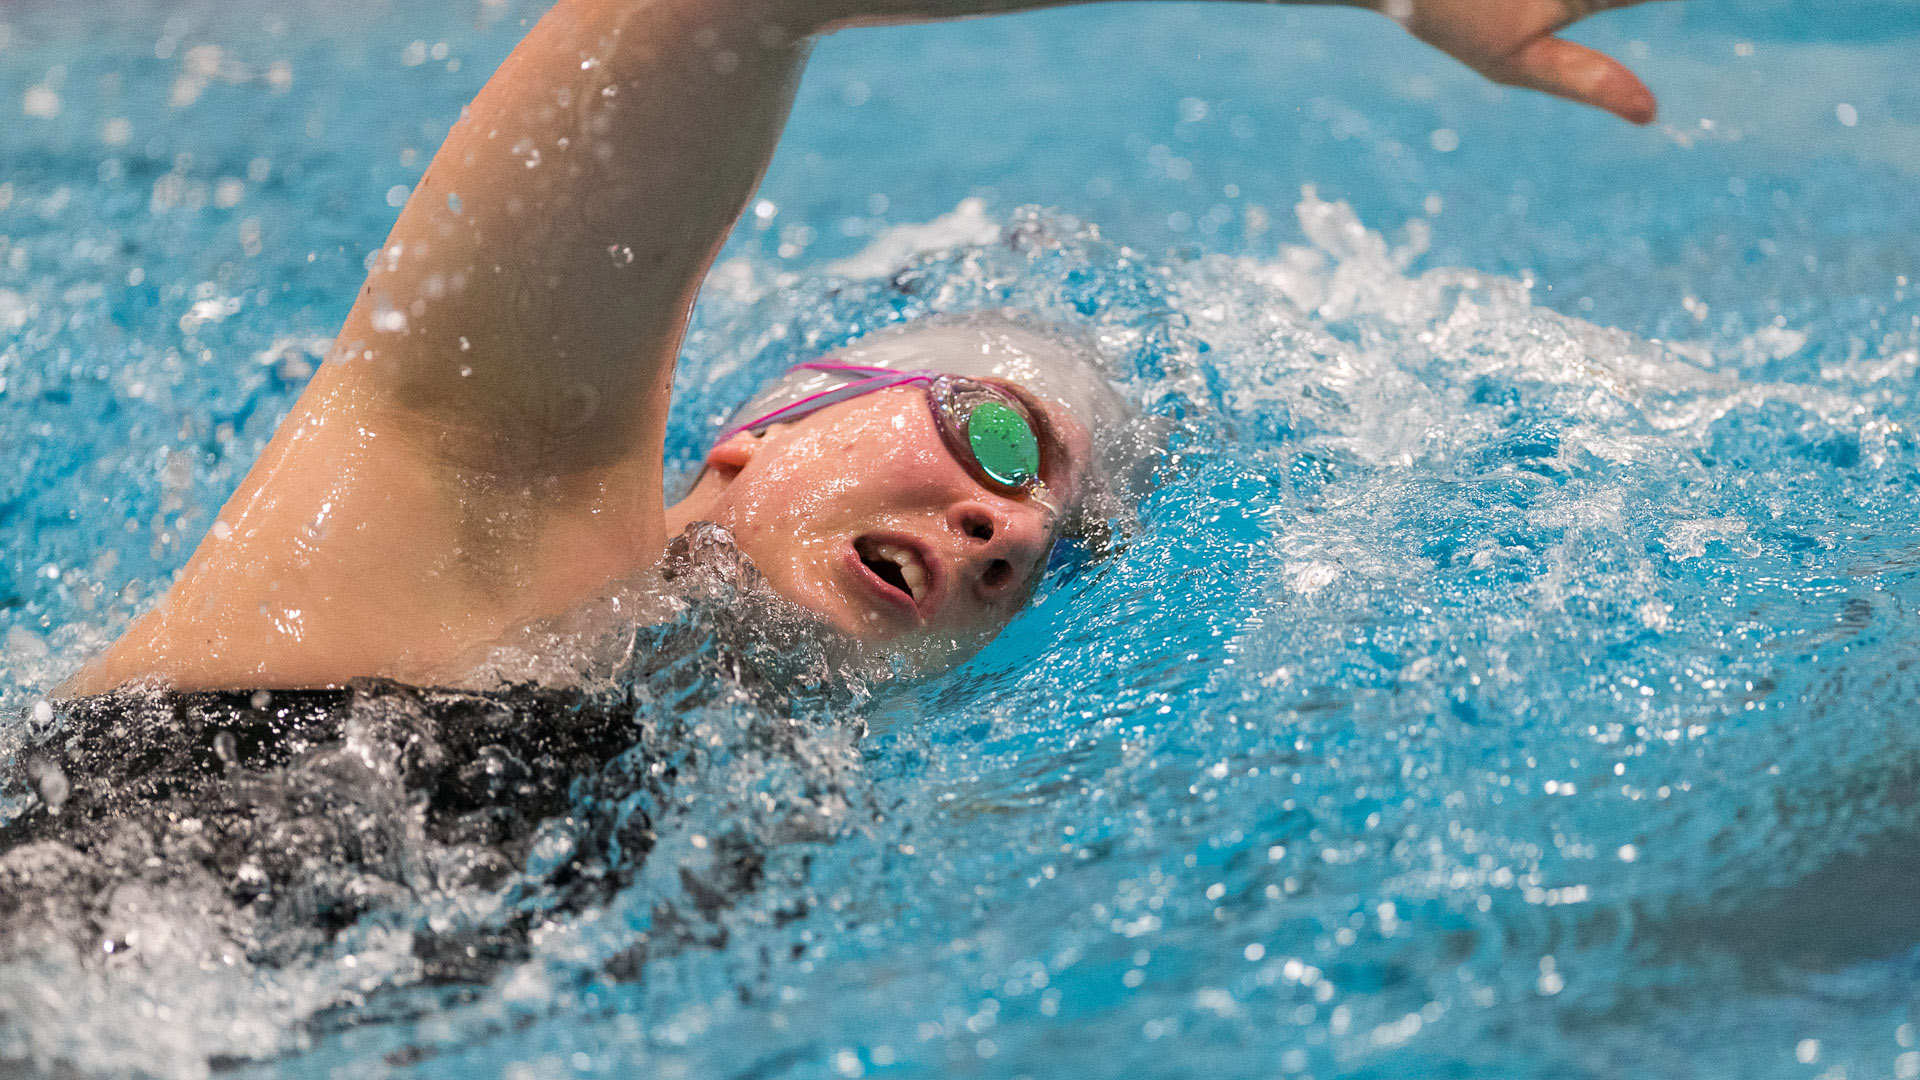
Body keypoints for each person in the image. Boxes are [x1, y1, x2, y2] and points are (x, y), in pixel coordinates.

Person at [59, 0, 1666, 696]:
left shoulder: (784, 850)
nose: (1014, 529)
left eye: (1060, 544)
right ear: (764, 425)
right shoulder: (466, 507)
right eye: (1000, 436)